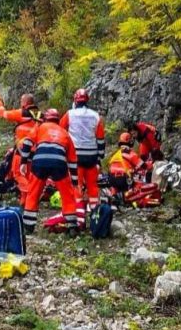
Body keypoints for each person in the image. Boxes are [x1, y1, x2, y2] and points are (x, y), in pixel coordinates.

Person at [19, 108, 79, 233]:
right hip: (59, 163)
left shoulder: (40, 127)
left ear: (46, 118)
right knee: (67, 194)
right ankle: (72, 225)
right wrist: (74, 181)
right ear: (58, 120)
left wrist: (23, 162)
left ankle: (28, 226)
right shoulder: (65, 133)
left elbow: (27, 142)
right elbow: (73, 160)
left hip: (39, 161)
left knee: (33, 192)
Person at [60, 88, 105, 222]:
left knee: (77, 185)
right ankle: (95, 215)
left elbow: (60, 130)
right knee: (93, 186)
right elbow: (100, 139)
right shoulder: (95, 116)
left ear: (75, 100)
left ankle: (79, 216)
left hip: (76, 155)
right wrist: (100, 156)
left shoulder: (69, 114)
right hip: (92, 155)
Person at [0, 91, 42, 202]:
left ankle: (30, 194)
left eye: (21, 101)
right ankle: (25, 203)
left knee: (18, 175)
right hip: (35, 151)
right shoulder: (39, 114)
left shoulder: (22, 113)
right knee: (28, 176)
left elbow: (3, 113)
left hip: (22, 150)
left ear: (24, 103)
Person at [107, 132, 143, 203]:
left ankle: (114, 195)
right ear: (130, 141)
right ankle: (133, 197)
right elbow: (143, 165)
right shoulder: (131, 154)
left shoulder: (115, 154)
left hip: (112, 179)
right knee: (138, 179)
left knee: (116, 186)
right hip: (124, 179)